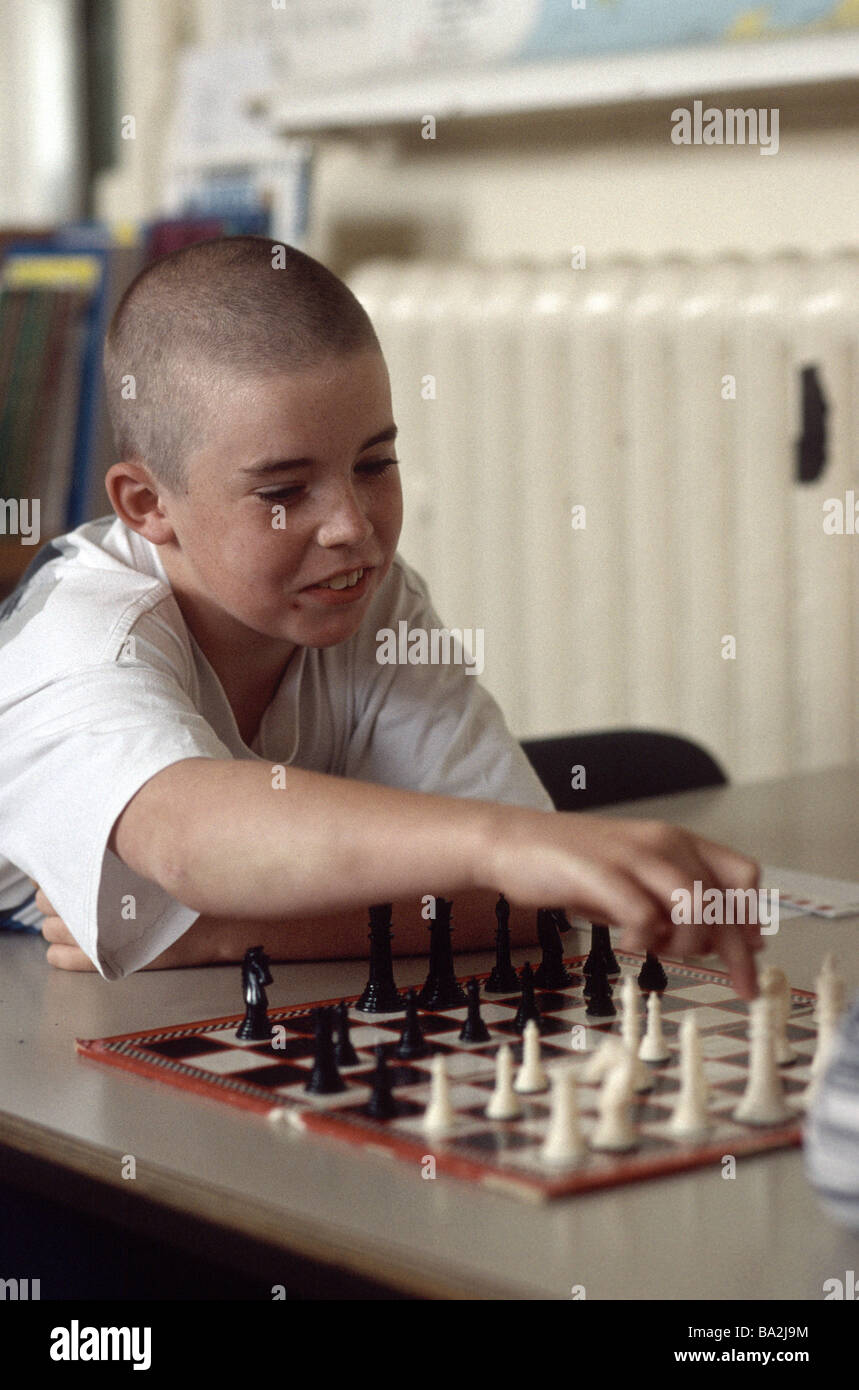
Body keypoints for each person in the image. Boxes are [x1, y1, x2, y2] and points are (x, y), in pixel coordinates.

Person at [0, 237, 761, 987]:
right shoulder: (80, 630)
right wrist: (501, 845)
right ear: (149, 504)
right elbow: (187, 838)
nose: (352, 527)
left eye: (373, 465)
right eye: (283, 492)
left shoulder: (367, 592)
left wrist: (231, 930)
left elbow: (523, 906)